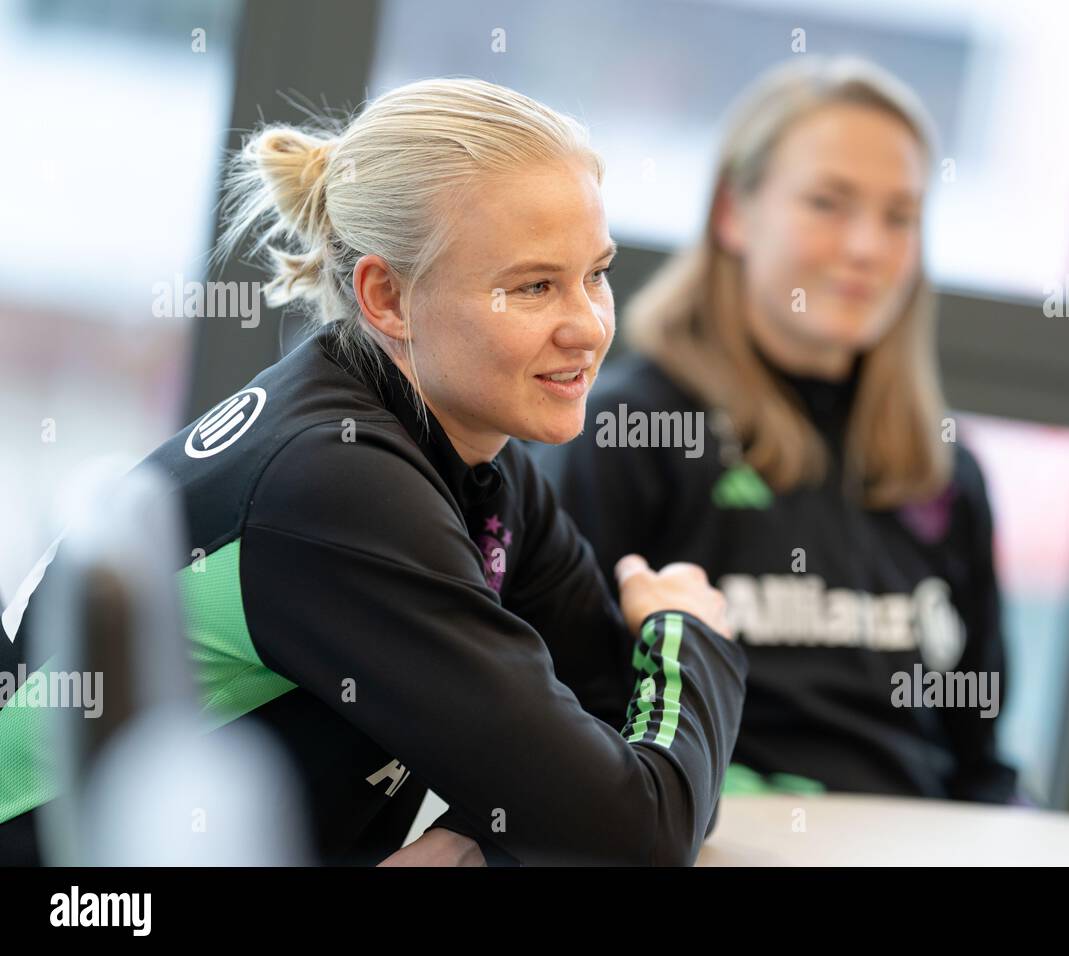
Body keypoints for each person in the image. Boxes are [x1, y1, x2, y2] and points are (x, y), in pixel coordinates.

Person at [0, 78, 746, 866]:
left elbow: (618, 759)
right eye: (533, 286)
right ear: (387, 296)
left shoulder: (471, 454)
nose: (589, 327)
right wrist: (688, 636)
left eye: (595, 273)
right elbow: (641, 835)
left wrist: (474, 839)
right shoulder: (335, 484)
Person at [540, 56, 1017, 803]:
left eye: (900, 216)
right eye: (829, 202)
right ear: (734, 213)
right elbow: (571, 724)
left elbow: (980, 759)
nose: (867, 247)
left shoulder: (945, 470)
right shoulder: (629, 431)